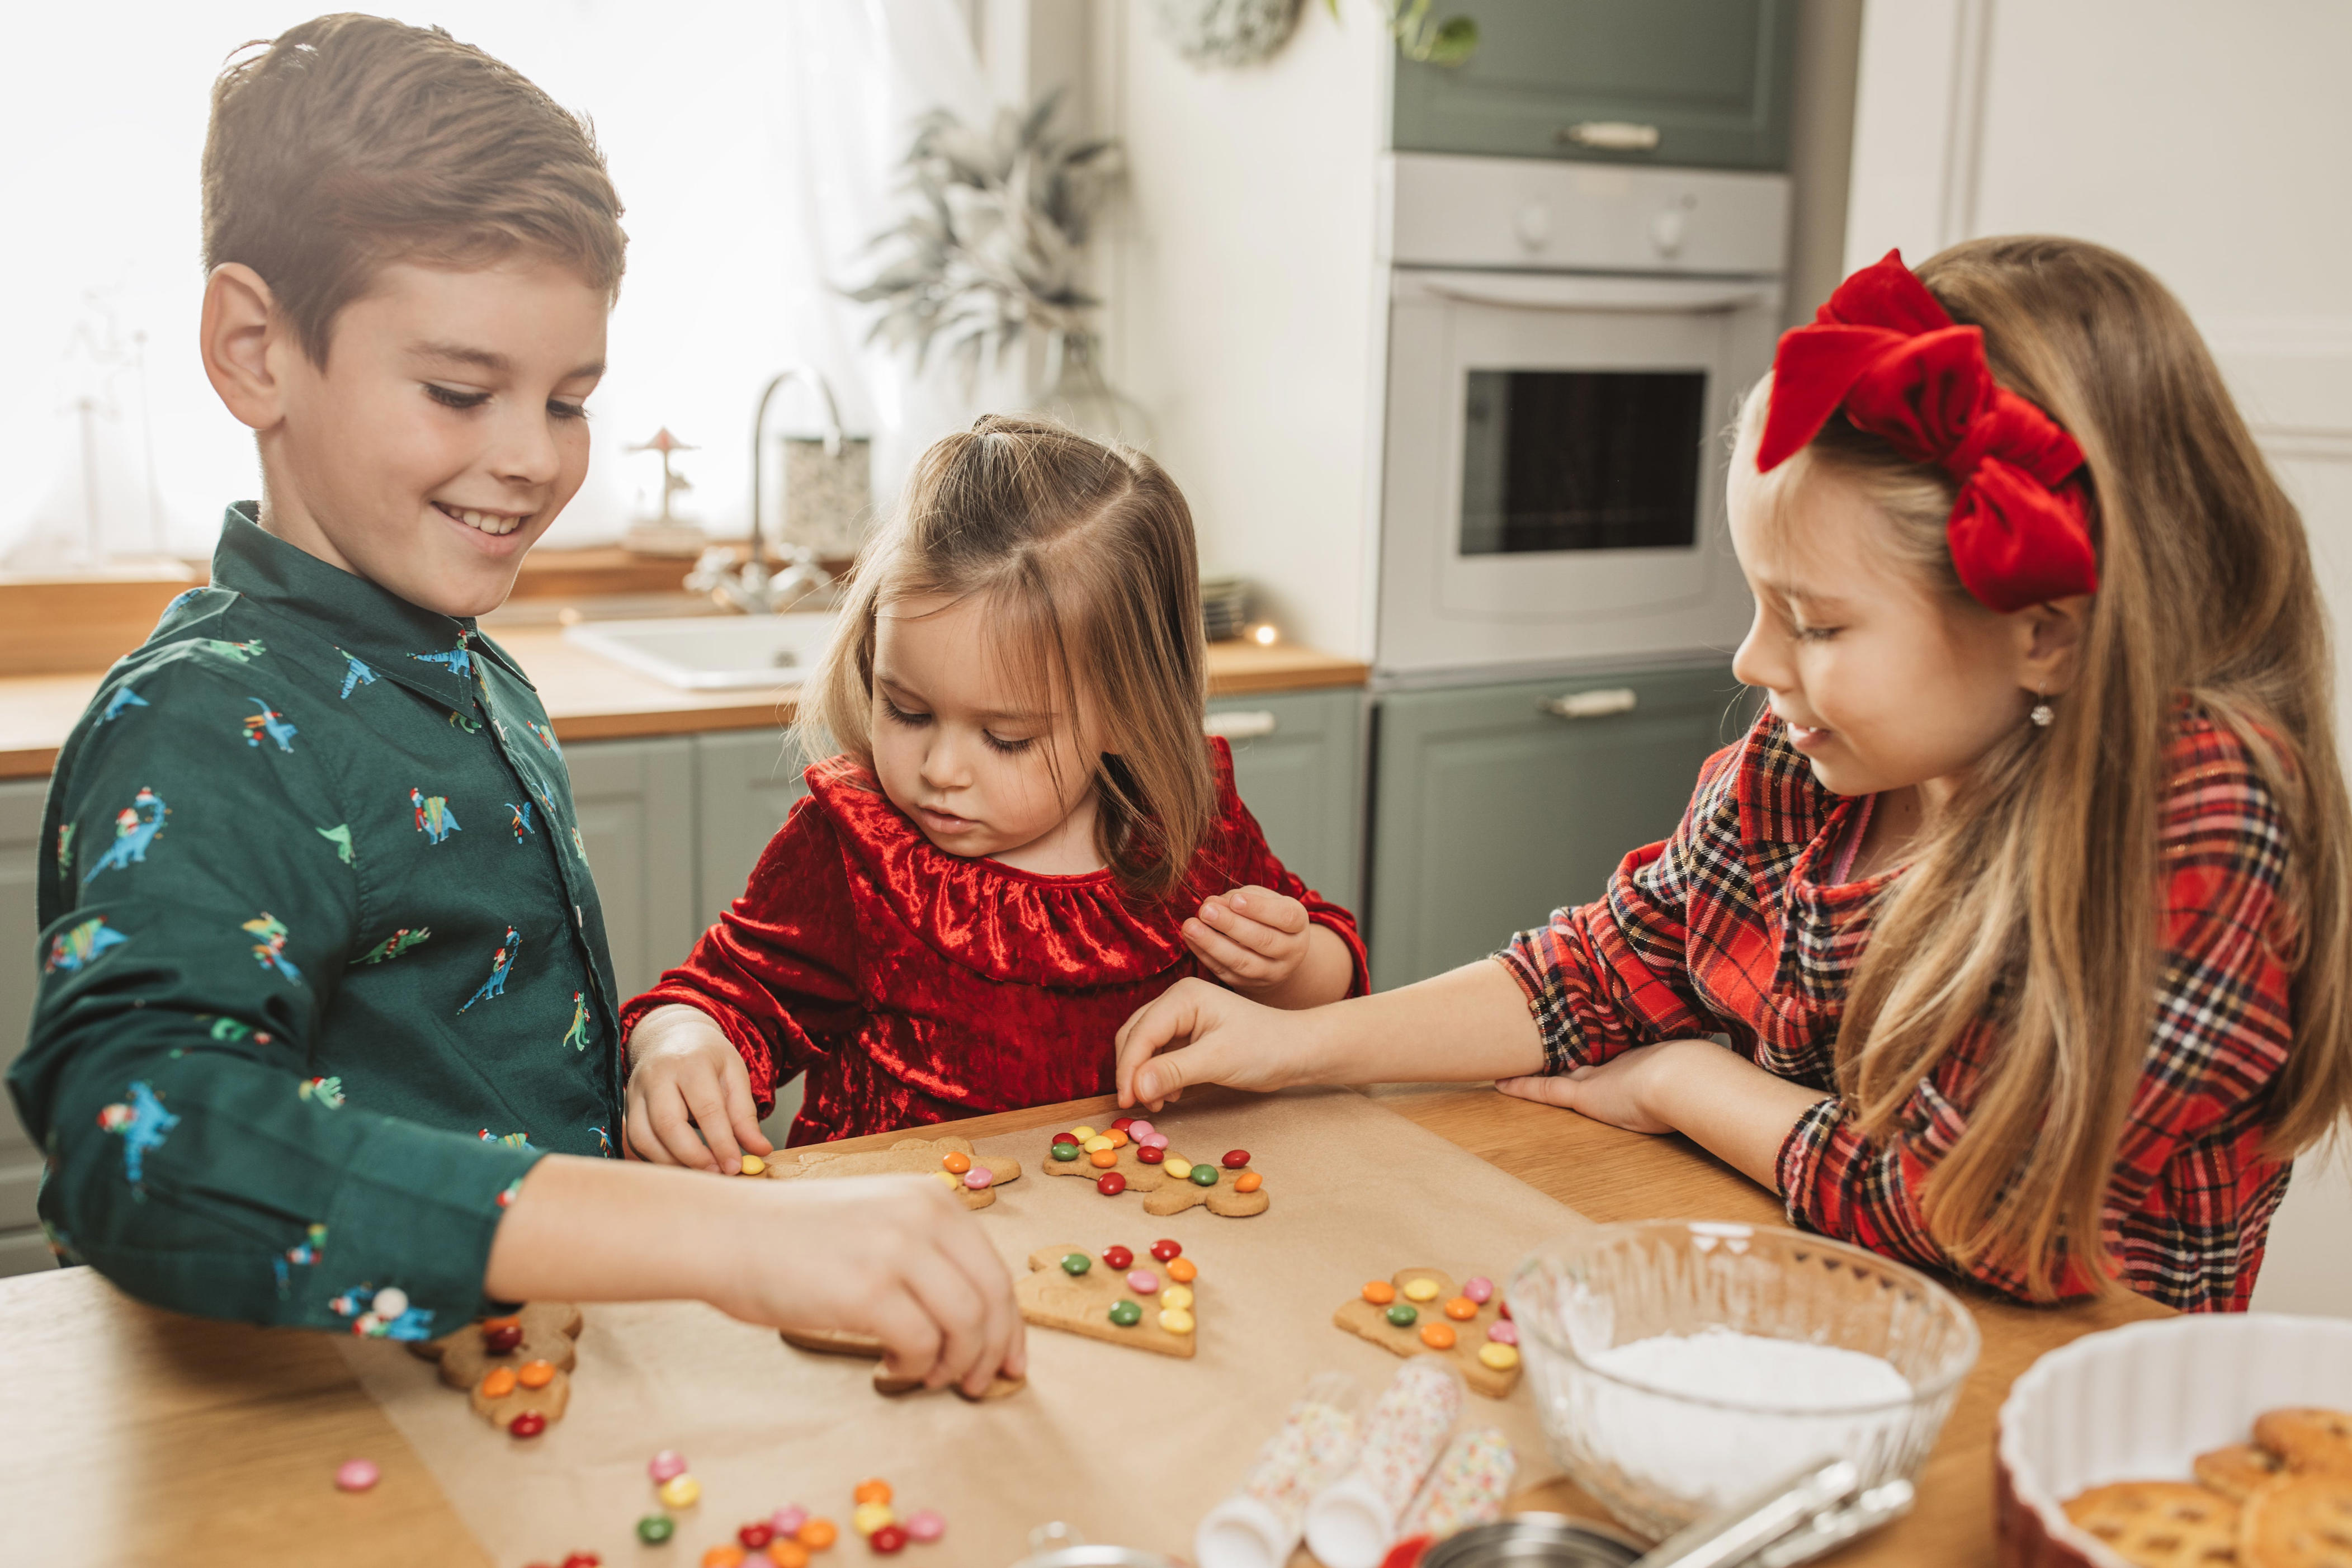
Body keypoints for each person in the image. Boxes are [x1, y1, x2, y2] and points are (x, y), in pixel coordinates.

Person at [10, 15, 1020, 1396]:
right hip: (333, 1424)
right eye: (460, 390)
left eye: (568, 400)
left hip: (511, 1389)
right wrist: (714, 1238)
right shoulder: (204, 727)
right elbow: (143, 1137)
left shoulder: (468, 664)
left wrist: (650, 1072)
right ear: (254, 349)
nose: (533, 460)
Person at [1111, 240, 2352, 1311]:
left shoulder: (2197, 821)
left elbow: (1988, 1224)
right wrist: (1298, 1043)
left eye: (1816, 623)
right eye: (1760, 604)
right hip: (1824, 1312)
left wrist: (1685, 1081)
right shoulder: (1812, 766)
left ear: (2045, 631)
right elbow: (1599, 970)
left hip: (2070, 1411)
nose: (1757, 662)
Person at [620, 415, 1368, 1164]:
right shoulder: (856, 847)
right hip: (897, 1226)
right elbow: (720, 998)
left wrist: (1293, 962)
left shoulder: (1182, 824)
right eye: (907, 711)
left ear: (1125, 710)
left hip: (1129, 1224)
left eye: (1006, 737)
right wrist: (679, 1039)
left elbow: (1331, 984)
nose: (941, 768)